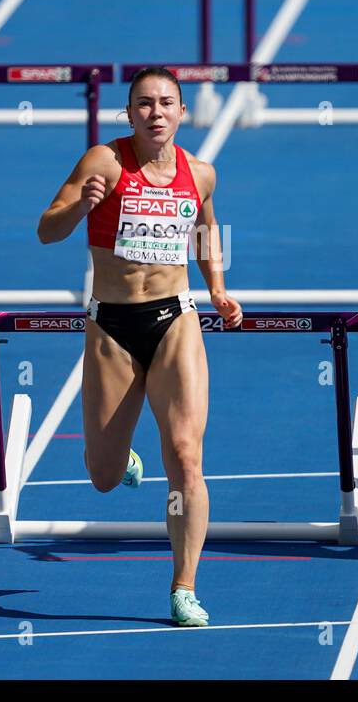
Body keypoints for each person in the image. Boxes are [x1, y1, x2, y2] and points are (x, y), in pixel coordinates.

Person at [38, 67, 241, 626]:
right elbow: (46, 229)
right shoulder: (103, 162)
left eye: (166, 103)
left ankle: (184, 586)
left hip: (176, 318)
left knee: (185, 455)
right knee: (101, 476)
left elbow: (206, 230)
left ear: (182, 112)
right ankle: (122, 455)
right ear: (129, 113)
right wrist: (82, 206)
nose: (155, 113)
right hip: (111, 325)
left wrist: (218, 289)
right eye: (144, 104)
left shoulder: (200, 173)